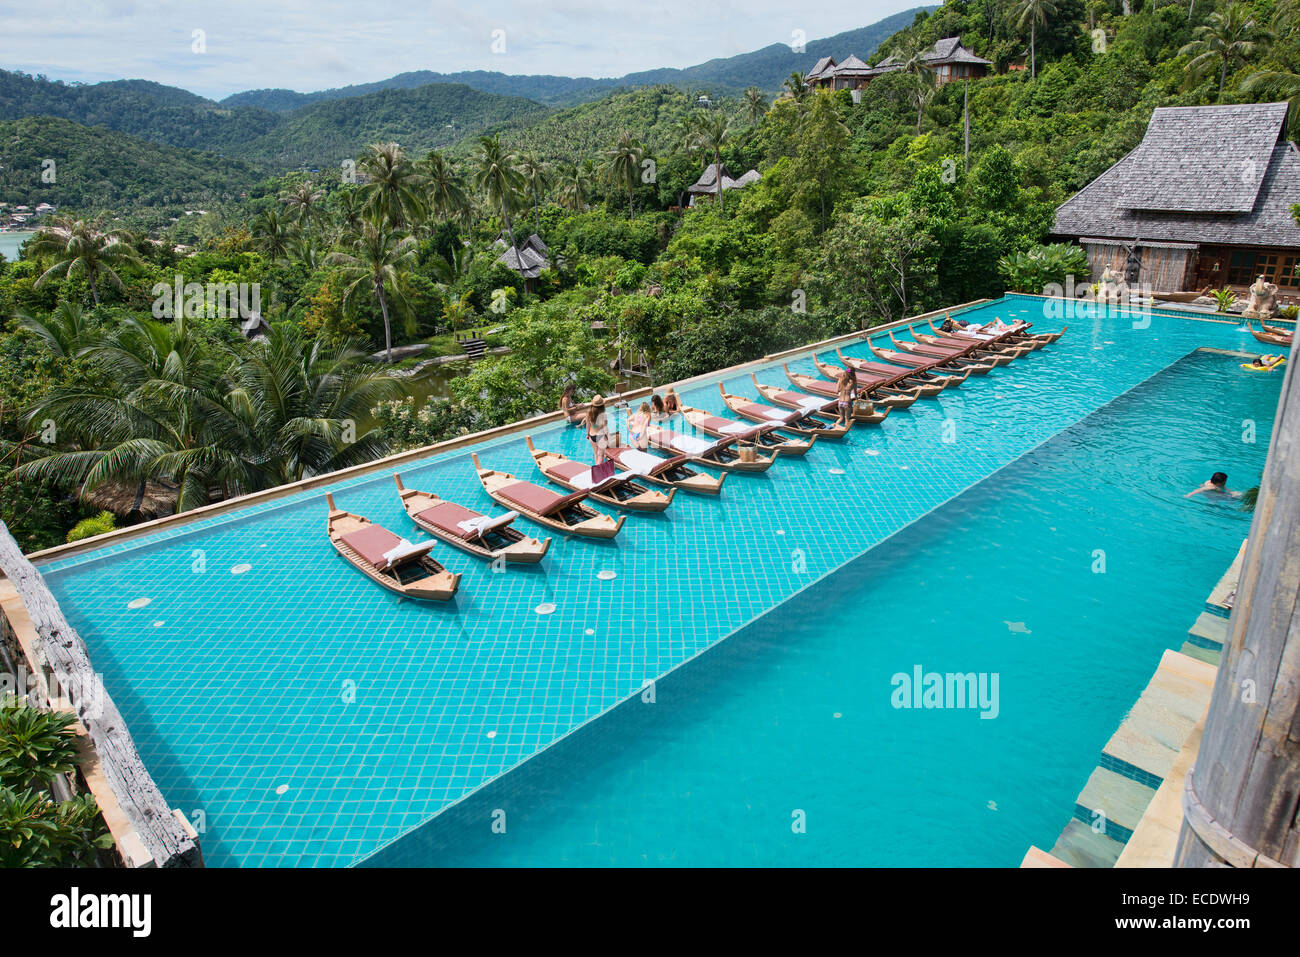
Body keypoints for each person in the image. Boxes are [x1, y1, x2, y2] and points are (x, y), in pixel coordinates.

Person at [585, 396, 610, 464]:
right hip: (600, 436)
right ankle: (599, 471)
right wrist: (608, 437)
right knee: (600, 455)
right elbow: (605, 427)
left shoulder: (588, 412)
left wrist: (587, 434)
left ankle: (597, 470)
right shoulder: (603, 414)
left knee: (596, 454)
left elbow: (587, 425)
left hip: (591, 435)